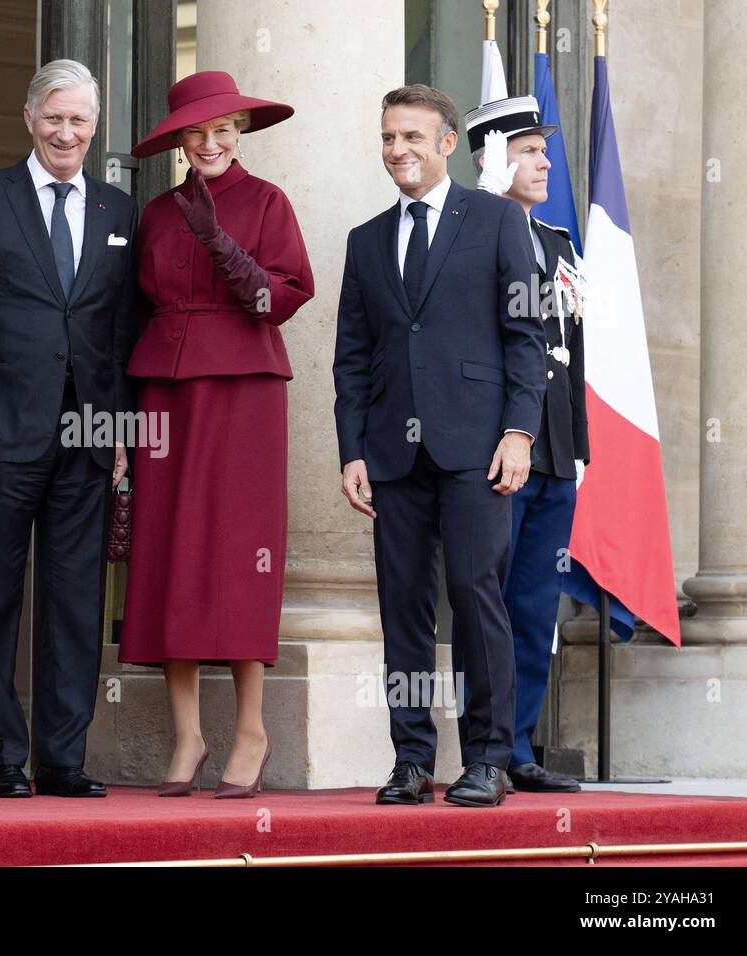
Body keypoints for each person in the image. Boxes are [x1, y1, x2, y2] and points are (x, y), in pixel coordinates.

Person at [332, 84, 544, 808]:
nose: (399, 150)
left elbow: (527, 338)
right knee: (402, 611)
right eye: (390, 137)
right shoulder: (365, 241)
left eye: (413, 138)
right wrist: (351, 450)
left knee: (475, 595)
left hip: (477, 449)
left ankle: (487, 758)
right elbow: (351, 359)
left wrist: (519, 433)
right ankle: (412, 760)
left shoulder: (493, 221)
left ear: (448, 143)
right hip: (393, 456)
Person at [0, 59, 137, 798]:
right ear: (28, 119)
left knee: (77, 599)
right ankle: (1, 756)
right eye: (53, 118)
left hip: (86, 437)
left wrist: (119, 427)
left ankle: (63, 757)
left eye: (78, 120)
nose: (65, 132)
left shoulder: (120, 212)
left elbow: (119, 330)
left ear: (94, 127)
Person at [118, 71, 314, 798]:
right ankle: (188, 735)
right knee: (167, 550)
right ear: (178, 140)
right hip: (164, 391)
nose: (210, 143)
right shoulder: (156, 213)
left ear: (242, 131)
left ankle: (252, 731)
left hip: (243, 391)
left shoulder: (268, 203)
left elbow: (280, 298)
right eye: (195, 132)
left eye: (223, 129)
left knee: (238, 555)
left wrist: (220, 242)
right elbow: (132, 311)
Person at [457, 96, 587, 793]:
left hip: (555, 452)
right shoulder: (471, 233)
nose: (545, 162)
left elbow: (570, 355)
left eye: (544, 149)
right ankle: (483, 747)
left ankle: (519, 745)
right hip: (498, 449)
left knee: (536, 607)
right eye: (531, 150)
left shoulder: (558, 242)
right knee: (488, 606)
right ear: (492, 159)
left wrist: (580, 450)